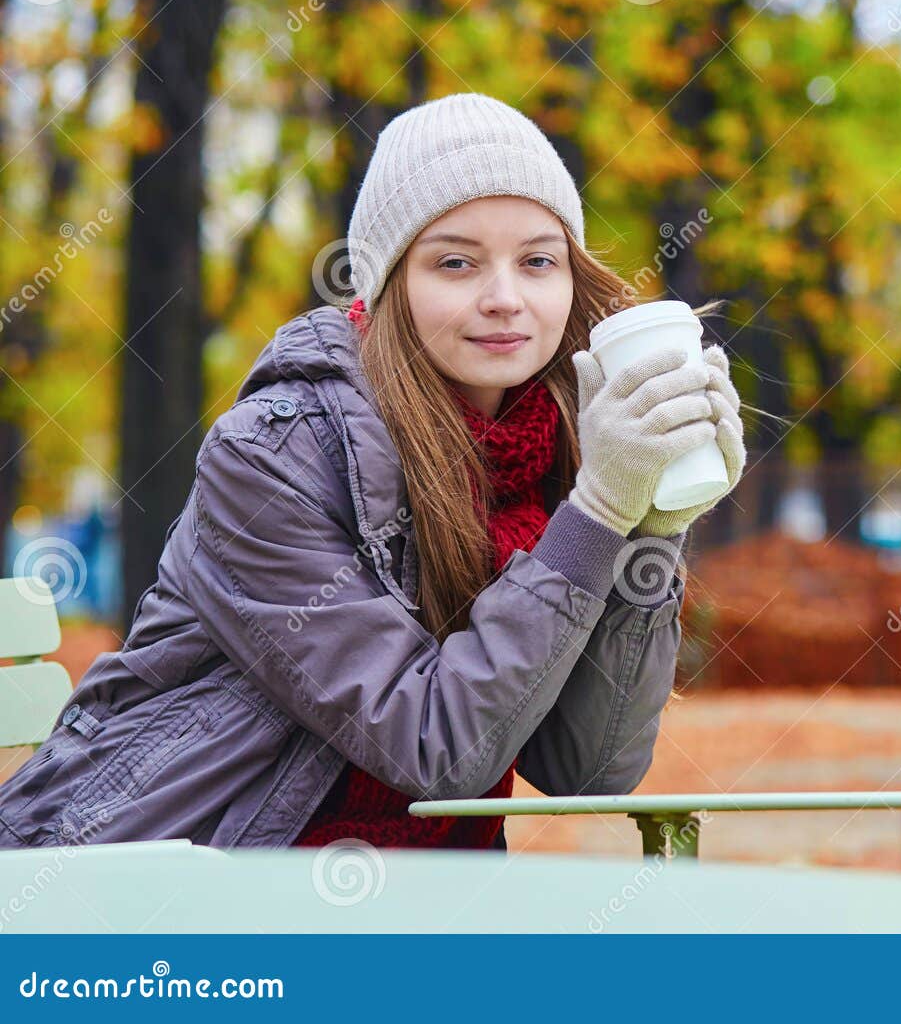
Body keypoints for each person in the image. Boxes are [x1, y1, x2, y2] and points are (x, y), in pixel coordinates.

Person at [0, 92, 746, 851]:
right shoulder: (268, 458)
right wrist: (597, 513)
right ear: (387, 283)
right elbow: (434, 748)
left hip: (426, 907)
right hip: (175, 895)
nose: (505, 299)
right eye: (455, 262)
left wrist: (655, 522)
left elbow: (587, 770)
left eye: (538, 262)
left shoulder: (565, 445)